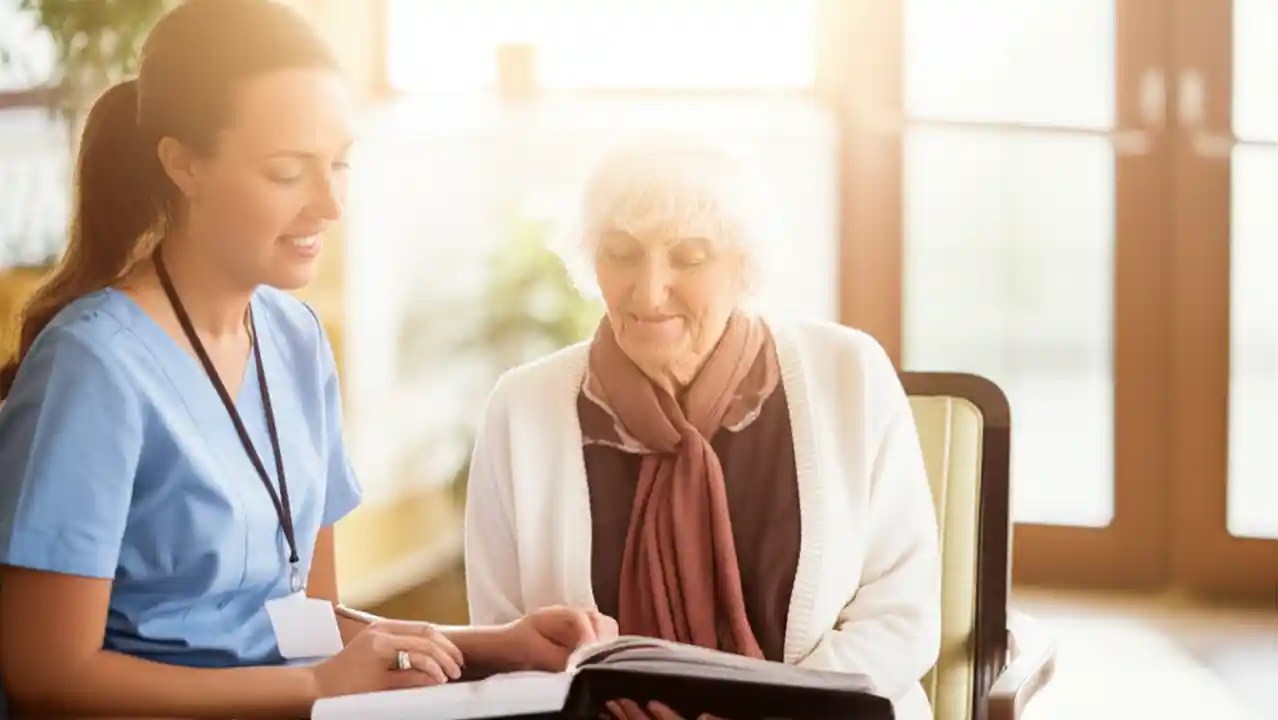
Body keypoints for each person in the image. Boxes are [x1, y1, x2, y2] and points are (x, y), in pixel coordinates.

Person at [0, 1, 613, 718]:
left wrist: (493, 645)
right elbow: (46, 673)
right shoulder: (93, 369)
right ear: (183, 164)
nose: (330, 204)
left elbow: (303, 623)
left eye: (340, 164)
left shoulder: (294, 338)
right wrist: (314, 689)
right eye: (288, 172)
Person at [464, 132, 942, 720]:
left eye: (688, 257)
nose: (649, 289)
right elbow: (501, 639)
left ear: (743, 266)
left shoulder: (848, 373)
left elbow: (900, 615)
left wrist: (760, 714)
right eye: (621, 252)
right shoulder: (522, 407)